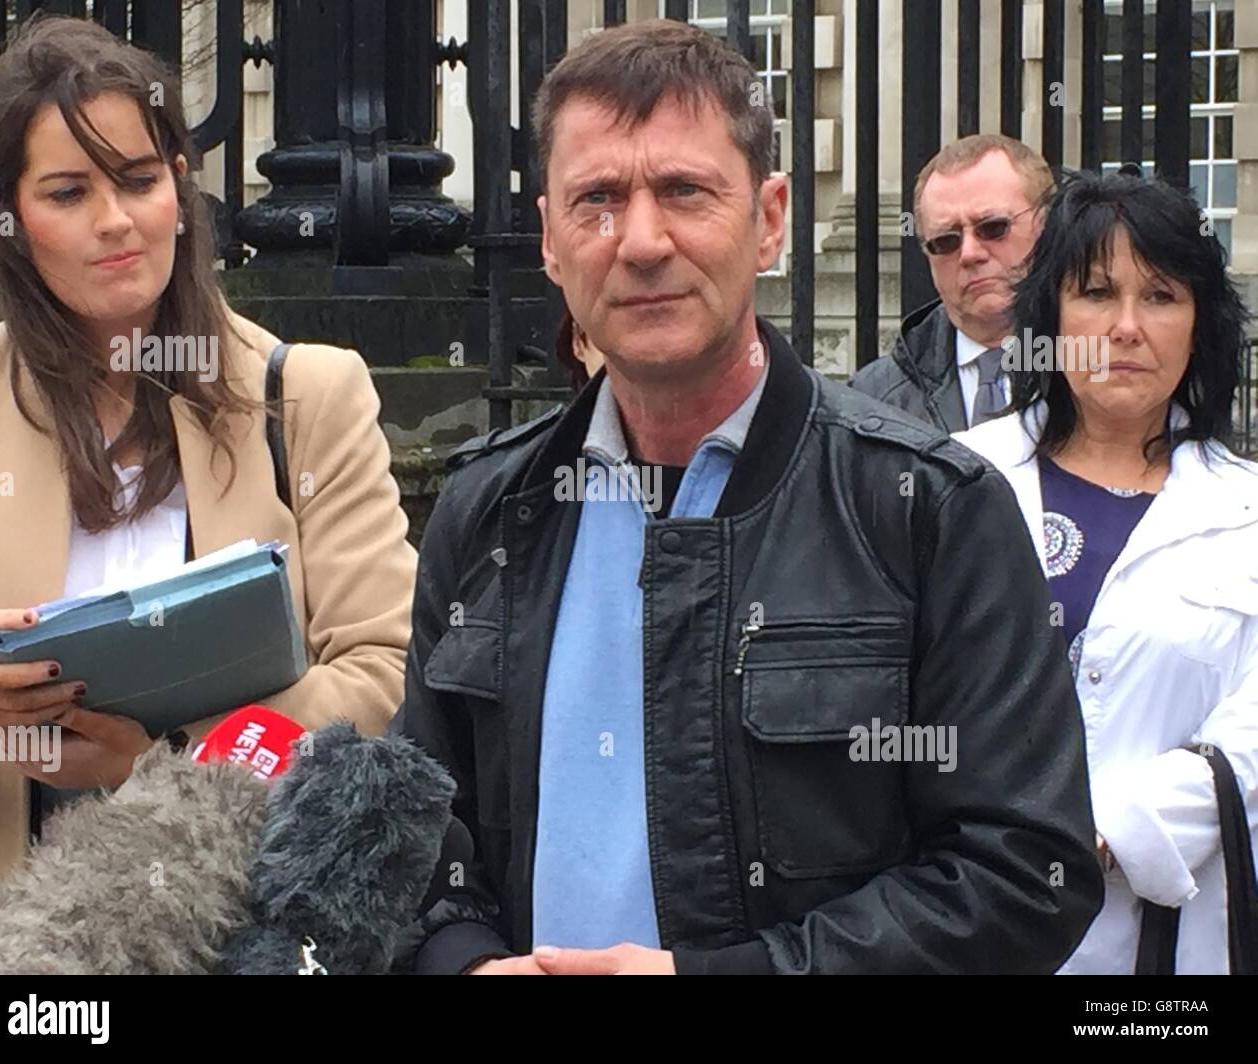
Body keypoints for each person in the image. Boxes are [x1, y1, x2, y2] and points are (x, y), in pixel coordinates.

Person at [401, 20, 1102, 976]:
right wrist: (465, 961)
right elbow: (416, 826)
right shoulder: (486, 509)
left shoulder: (928, 508)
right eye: (596, 199)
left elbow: (1024, 875)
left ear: (770, 218)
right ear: (550, 243)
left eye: (685, 192)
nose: (641, 241)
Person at [0, 15, 417, 924]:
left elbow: (386, 675)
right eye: (66, 192)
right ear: (11, 221)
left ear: (180, 185)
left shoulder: (308, 394)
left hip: (234, 915)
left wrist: (164, 757)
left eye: (138, 179)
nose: (116, 221)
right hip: (4, 935)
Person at [954, 169, 1258, 974]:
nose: (1125, 327)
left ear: (1200, 325)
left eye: (1160, 296)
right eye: (1095, 293)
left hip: (1160, 945)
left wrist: (1113, 831)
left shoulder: (1249, 513)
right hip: (962, 919)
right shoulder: (952, 478)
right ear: (1051, 314)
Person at [851, 134, 1052, 432]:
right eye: (946, 241)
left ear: (1047, 225)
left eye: (993, 228)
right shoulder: (873, 401)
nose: (970, 254)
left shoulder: (1102, 368)